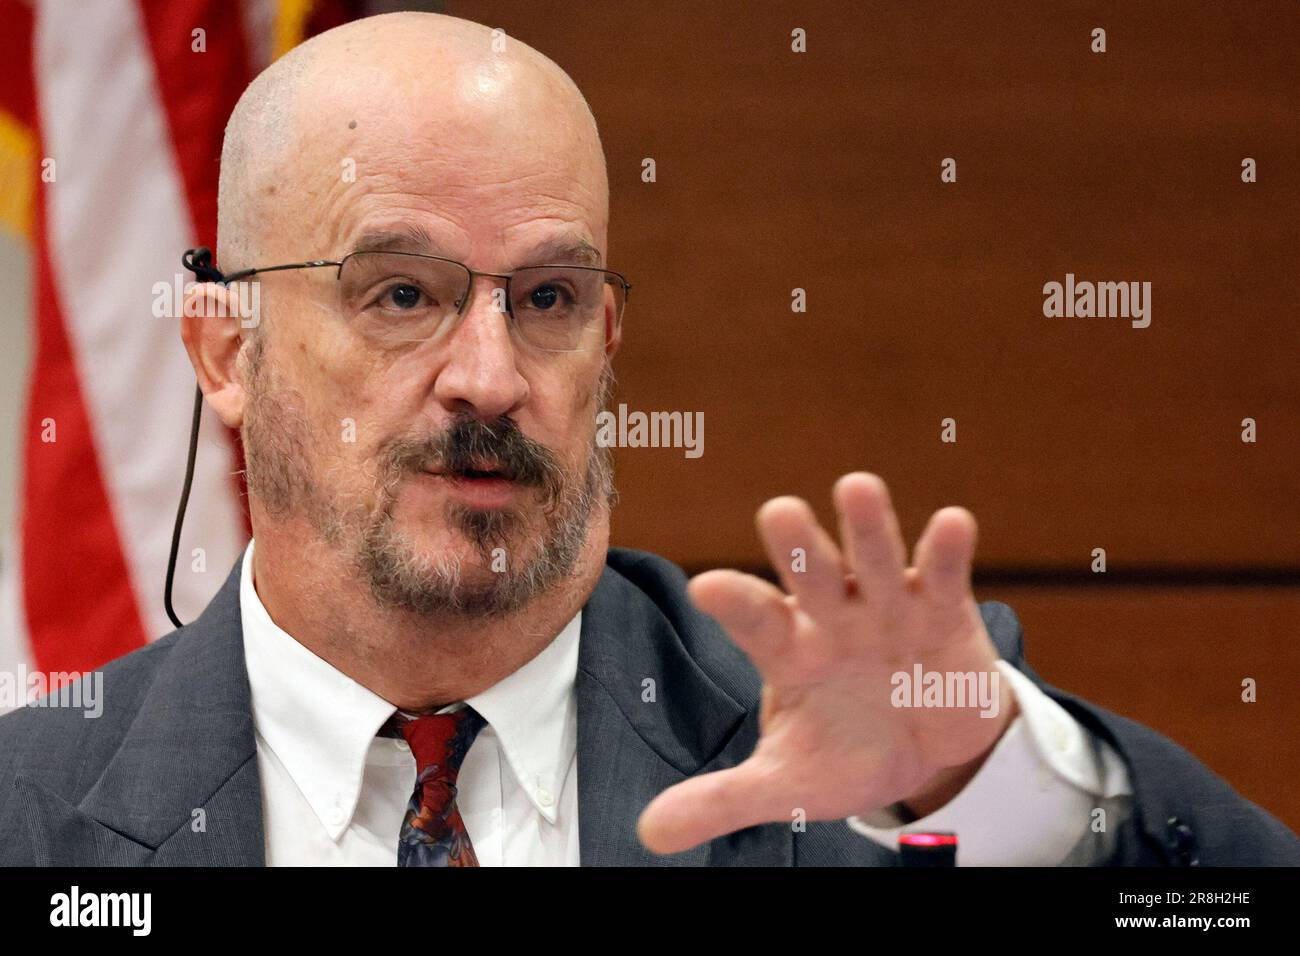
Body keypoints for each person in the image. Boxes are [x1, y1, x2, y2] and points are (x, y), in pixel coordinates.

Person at [0, 11, 1294, 867]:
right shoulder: (32, 811)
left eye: (548, 298)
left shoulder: (849, 756)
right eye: (401, 293)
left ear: (607, 339)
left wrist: (999, 785)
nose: (492, 378)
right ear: (227, 352)